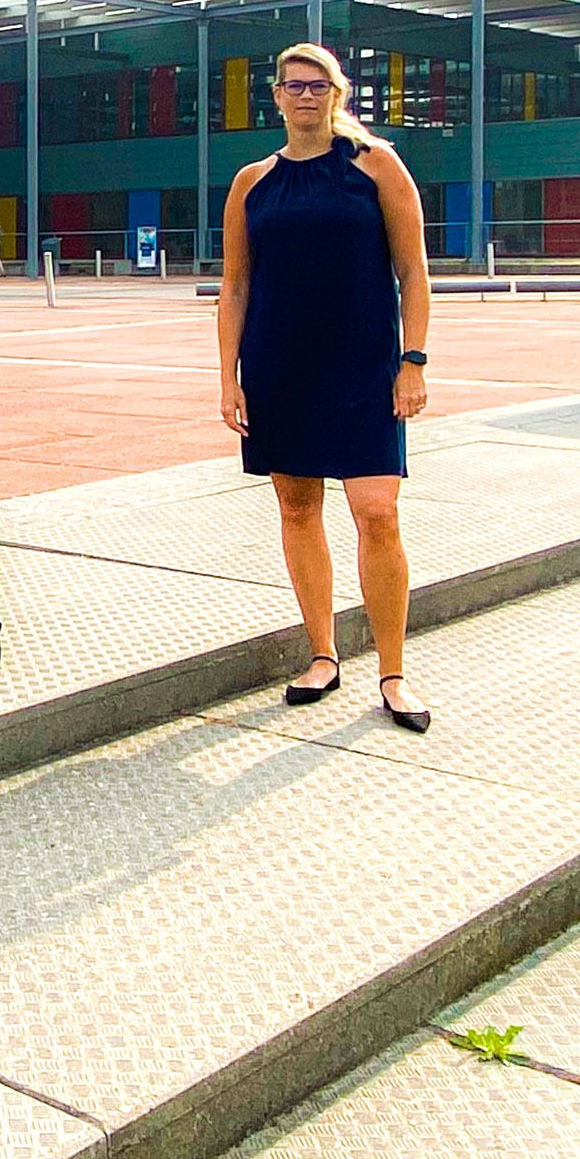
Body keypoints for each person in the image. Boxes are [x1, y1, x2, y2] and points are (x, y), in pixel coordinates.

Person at [217, 43, 432, 734]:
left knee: (377, 512)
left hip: (364, 363)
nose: (306, 97)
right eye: (293, 87)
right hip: (281, 365)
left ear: (337, 95)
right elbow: (235, 286)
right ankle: (321, 653)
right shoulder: (253, 181)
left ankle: (393, 672)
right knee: (299, 506)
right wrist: (229, 378)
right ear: (276, 97)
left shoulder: (375, 166)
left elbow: (415, 272)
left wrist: (413, 361)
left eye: (319, 86)